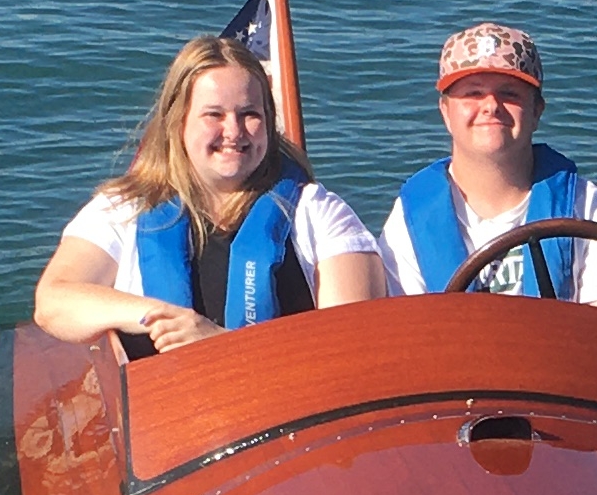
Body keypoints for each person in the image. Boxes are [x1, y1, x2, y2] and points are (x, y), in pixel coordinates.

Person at [34, 34, 387, 349]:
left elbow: (351, 345)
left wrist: (220, 344)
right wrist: (162, 318)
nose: (234, 131)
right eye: (214, 114)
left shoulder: (319, 213)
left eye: (250, 114)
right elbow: (53, 302)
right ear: (178, 122)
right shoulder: (123, 210)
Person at [382, 23, 597, 308]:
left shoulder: (588, 207)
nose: (490, 105)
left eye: (509, 93)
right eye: (473, 93)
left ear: (536, 111)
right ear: (446, 112)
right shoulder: (409, 217)